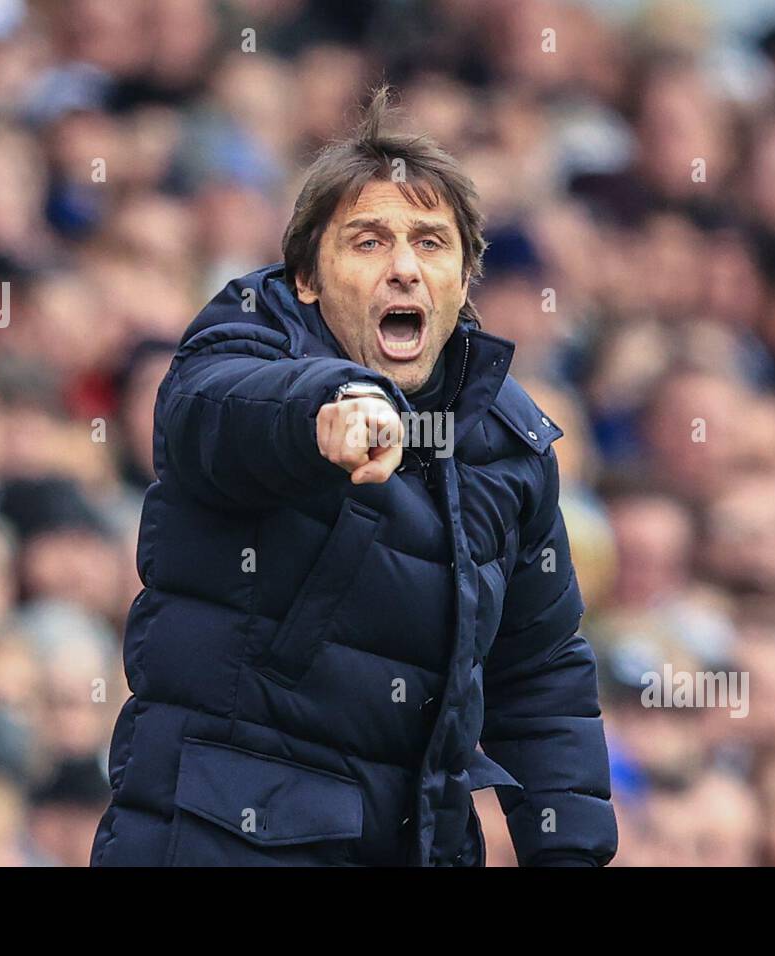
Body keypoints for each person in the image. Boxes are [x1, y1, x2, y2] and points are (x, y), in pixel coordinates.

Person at [90, 87, 617, 867]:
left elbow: (539, 671)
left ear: (466, 277)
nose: (404, 268)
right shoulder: (237, 349)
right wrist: (326, 412)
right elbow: (217, 414)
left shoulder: (510, 441)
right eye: (368, 242)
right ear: (307, 275)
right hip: (219, 834)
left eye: (432, 244)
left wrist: (568, 852)